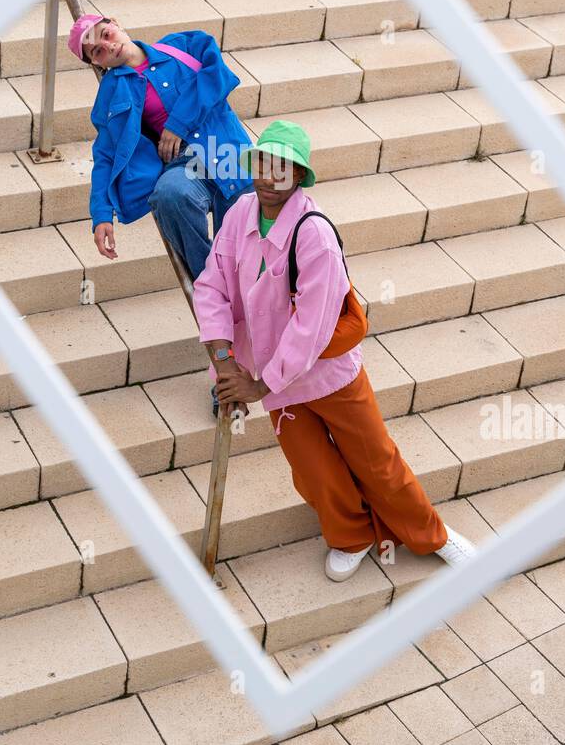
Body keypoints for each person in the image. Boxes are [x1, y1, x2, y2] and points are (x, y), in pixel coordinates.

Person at [192, 118, 477, 582]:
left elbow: (312, 328)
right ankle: (351, 535)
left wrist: (258, 385)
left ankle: (433, 536)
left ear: (299, 176)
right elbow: (211, 286)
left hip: (325, 375)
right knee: (313, 470)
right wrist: (225, 362)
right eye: (262, 164)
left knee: (377, 462)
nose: (268, 177)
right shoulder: (241, 213)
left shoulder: (314, 235)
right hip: (273, 380)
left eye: (282, 168)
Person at [67, 13, 254, 284]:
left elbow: (218, 75)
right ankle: (210, 282)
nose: (108, 46)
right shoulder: (111, 92)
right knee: (169, 194)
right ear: (97, 63)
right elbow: (106, 154)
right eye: (98, 51)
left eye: (106, 35)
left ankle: (240, 293)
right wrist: (101, 214)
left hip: (229, 151)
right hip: (184, 164)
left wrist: (178, 123)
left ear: (116, 24)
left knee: (246, 261)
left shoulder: (183, 45)